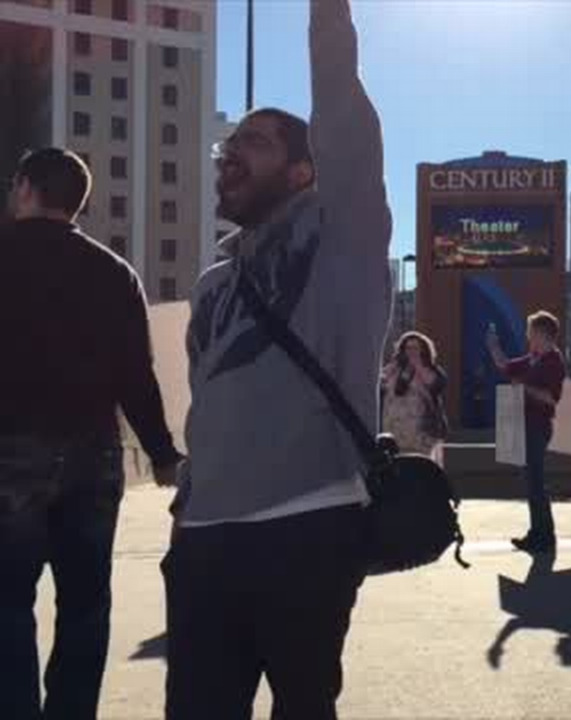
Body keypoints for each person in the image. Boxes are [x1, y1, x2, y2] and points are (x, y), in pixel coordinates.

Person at [164, 1, 391, 717]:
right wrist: (186, 508)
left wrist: (327, 17)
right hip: (203, 540)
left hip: (308, 523)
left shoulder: (344, 234)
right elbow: (207, 404)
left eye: (256, 142)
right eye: (229, 142)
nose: (231, 152)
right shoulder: (212, 285)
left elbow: (344, 116)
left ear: (303, 171)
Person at [0, 148, 182, 719]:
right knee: (84, 602)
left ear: (26, 187)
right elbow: (136, 373)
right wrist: (161, 452)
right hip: (93, 453)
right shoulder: (114, 272)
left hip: (12, 449)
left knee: (7, 600)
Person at [487, 312, 567, 554]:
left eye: (530, 332)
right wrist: (493, 346)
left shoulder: (553, 361)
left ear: (542, 334)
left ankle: (545, 537)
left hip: (538, 427)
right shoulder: (534, 358)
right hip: (524, 425)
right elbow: (505, 366)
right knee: (532, 483)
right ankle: (537, 534)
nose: (527, 336)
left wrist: (524, 387)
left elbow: (551, 398)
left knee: (536, 483)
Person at [381, 332, 448, 466]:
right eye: (408, 348)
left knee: (421, 466)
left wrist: (417, 365)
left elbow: (434, 384)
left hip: (421, 432)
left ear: (423, 350)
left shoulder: (431, 370)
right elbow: (382, 382)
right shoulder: (395, 369)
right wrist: (394, 366)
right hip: (394, 429)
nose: (411, 352)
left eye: (416, 348)